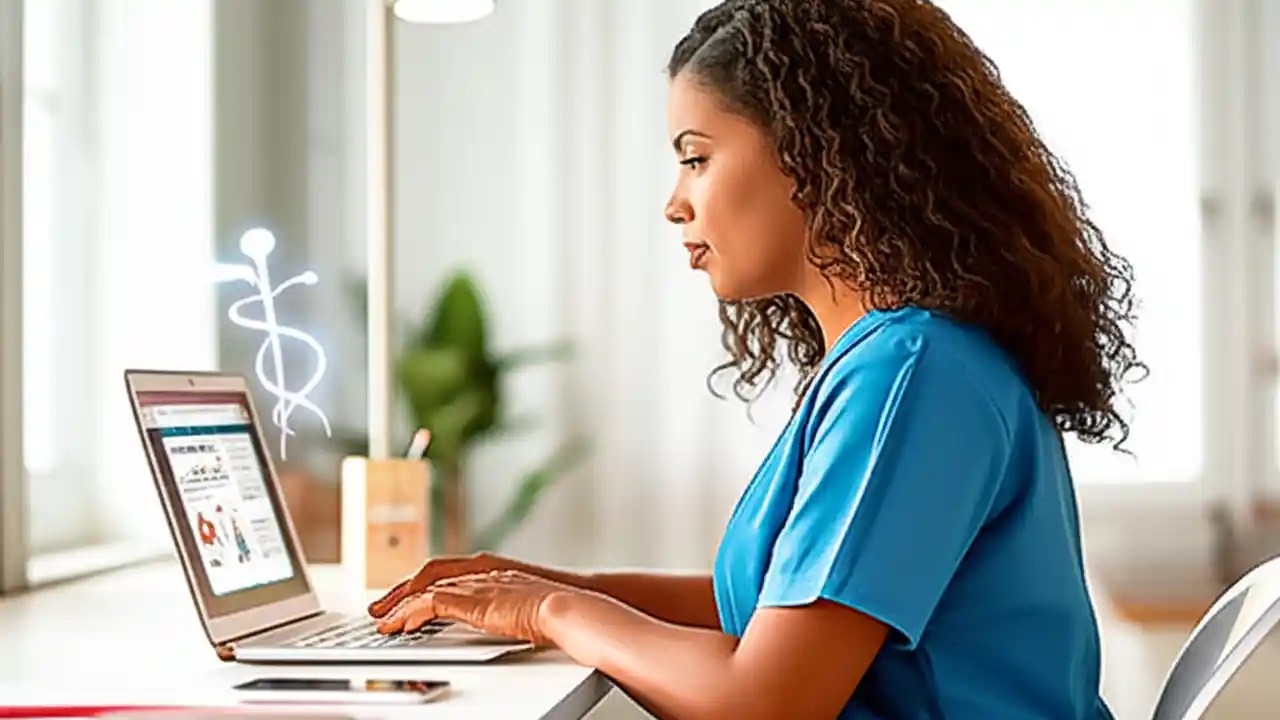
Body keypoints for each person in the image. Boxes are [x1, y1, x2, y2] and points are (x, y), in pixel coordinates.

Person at [369, 1, 1141, 717]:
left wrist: (552, 612)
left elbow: (769, 702)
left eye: (696, 158)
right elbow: (782, 611)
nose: (675, 201)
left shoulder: (912, 375)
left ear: (820, 151)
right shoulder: (902, 358)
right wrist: (553, 588)